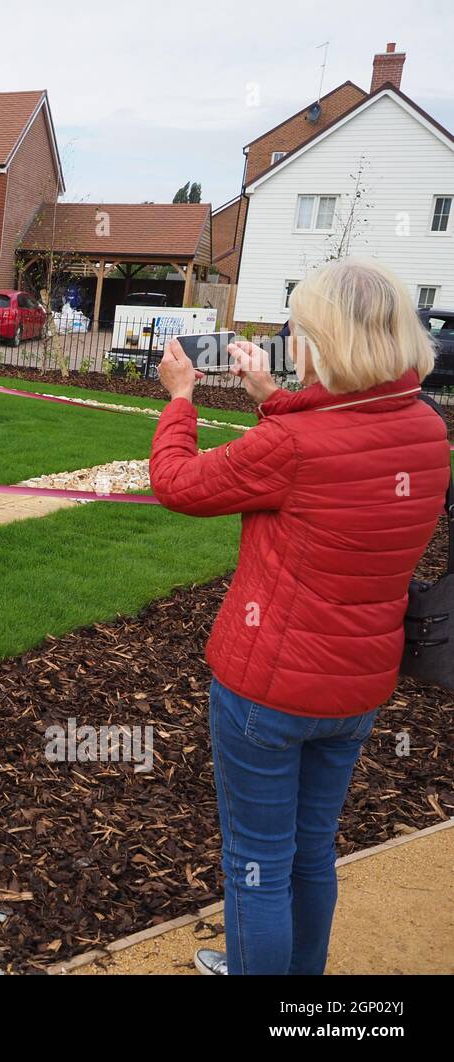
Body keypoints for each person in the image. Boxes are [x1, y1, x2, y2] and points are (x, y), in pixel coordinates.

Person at [149, 257, 449, 976]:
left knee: (256, 859)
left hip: (268, 690)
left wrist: (180, 398)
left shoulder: (291, 446)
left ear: (325, 342)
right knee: (311, 849)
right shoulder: (428, 431)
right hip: (356, 688)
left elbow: (177, 482)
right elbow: (342, 445)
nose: (289, 338)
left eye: (297, 329)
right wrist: (273, 396)